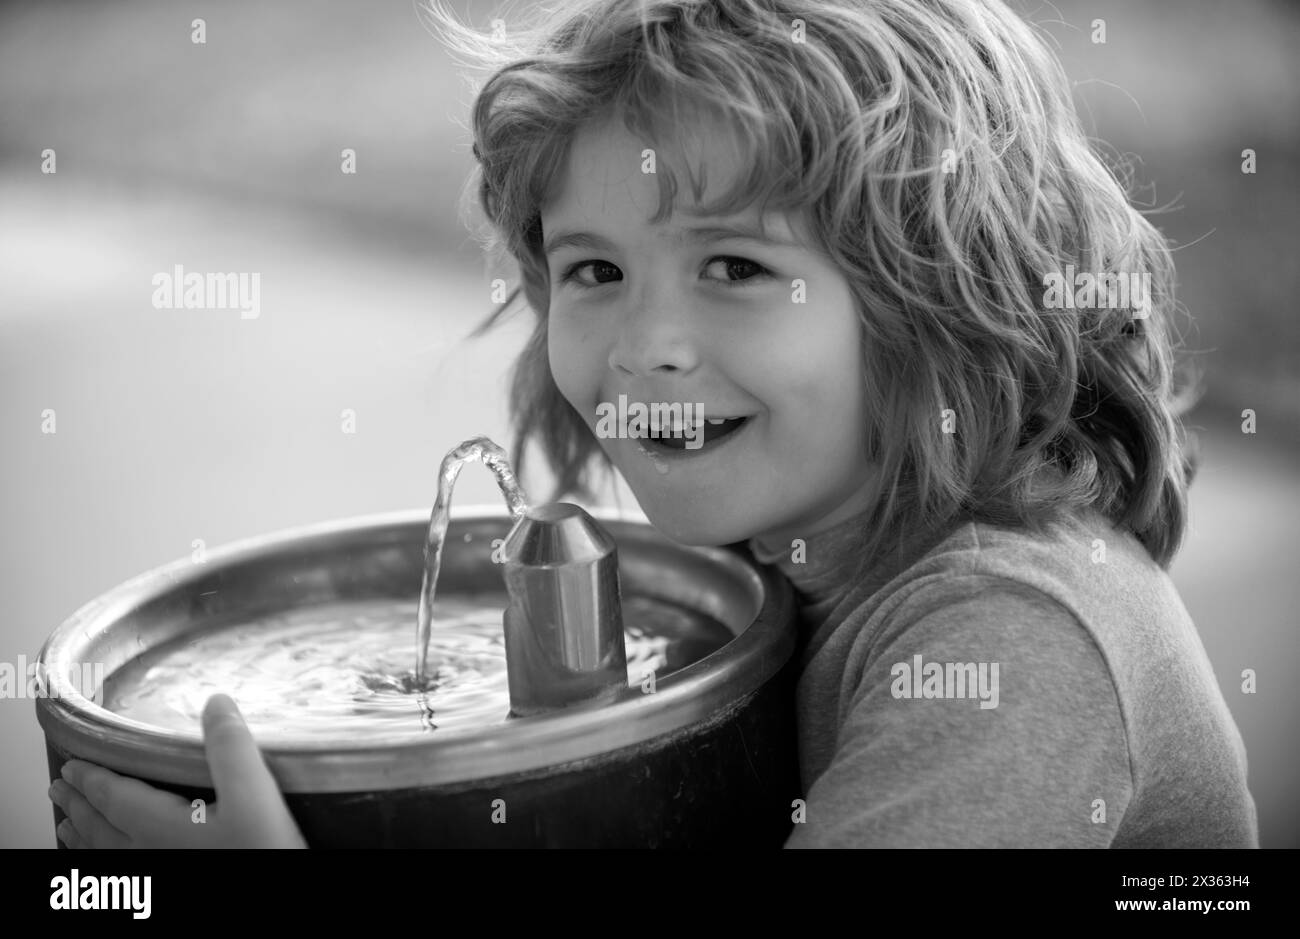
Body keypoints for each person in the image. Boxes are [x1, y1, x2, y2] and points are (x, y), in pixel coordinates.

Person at [51, 0, 1258, 848]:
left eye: (733, 265)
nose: (641, 345)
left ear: (939, 306)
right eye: (593, 272)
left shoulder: (1014, 643)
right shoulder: (770, 550)